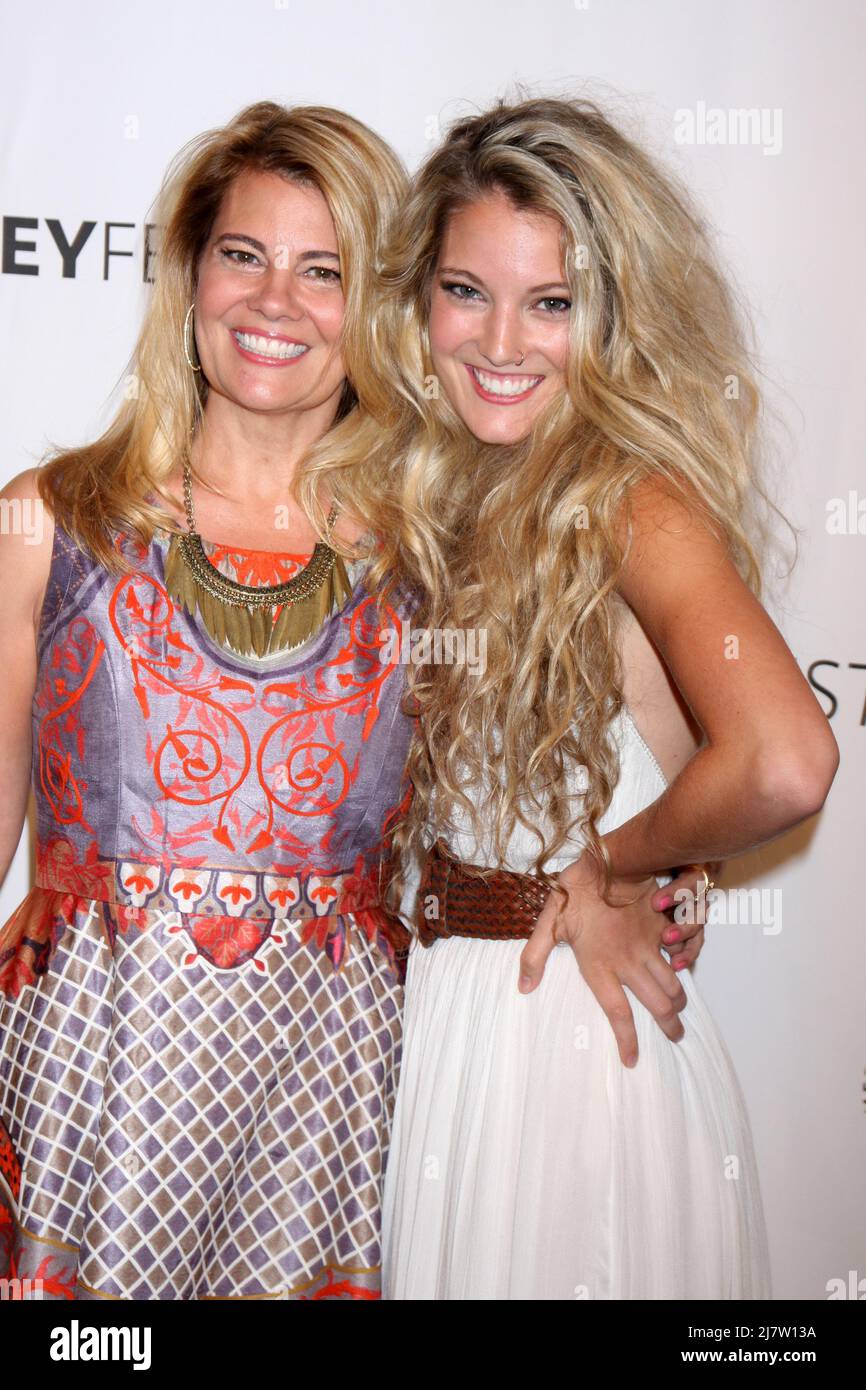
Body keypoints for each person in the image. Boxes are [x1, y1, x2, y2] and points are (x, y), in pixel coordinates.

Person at [349, 97, 840, 1299]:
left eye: (551, 302)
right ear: (417, 302)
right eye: (466, 290)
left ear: (611, 317)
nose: (500, 339)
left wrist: (608, 865)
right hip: (464, 1041)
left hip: (566, 1055)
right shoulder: (460, 496)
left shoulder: (628, 499)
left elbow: (783, 757)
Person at [0, 101, 417, 1300]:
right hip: (87, 1086)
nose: (273, 300)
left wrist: (641, 873)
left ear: (374, 312)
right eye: (244, 255)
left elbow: (520, 795)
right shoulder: (53, 519)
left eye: (322, 270)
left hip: (321, 1110)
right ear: (189, 279)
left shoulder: (431, 562)